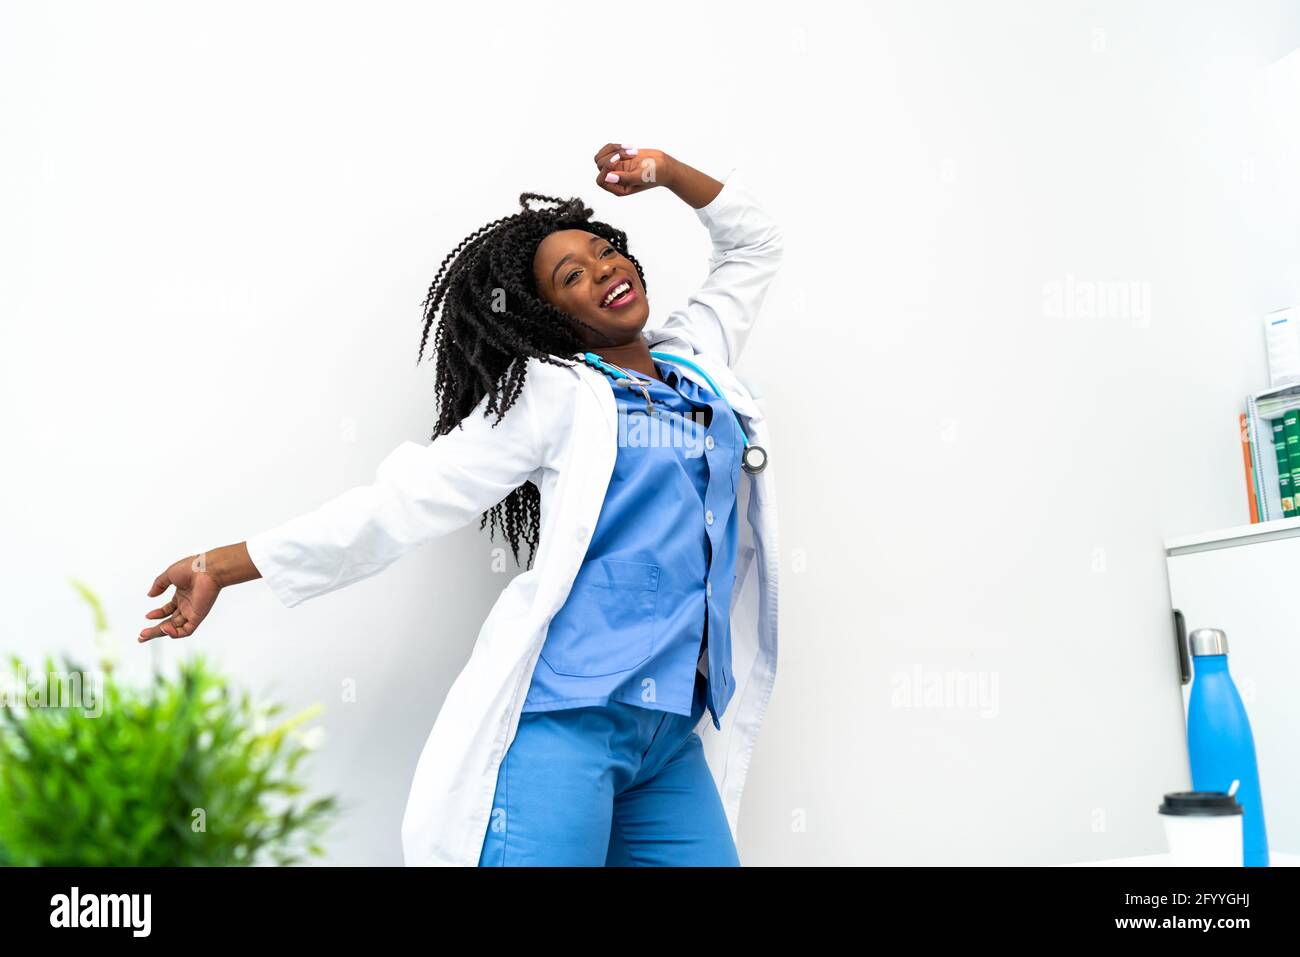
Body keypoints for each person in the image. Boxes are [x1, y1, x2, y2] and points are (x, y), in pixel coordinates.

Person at [140, 143, 784, 866]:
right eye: (571, 275)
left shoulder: (699, 357)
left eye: (605, 251)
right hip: (566, 721)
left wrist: (664, 171)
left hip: (668, 733)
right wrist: (223, 564)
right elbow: (403, 502)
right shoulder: (555, 394)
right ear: (552, 319)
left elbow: (754, 243)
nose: (603, 268)